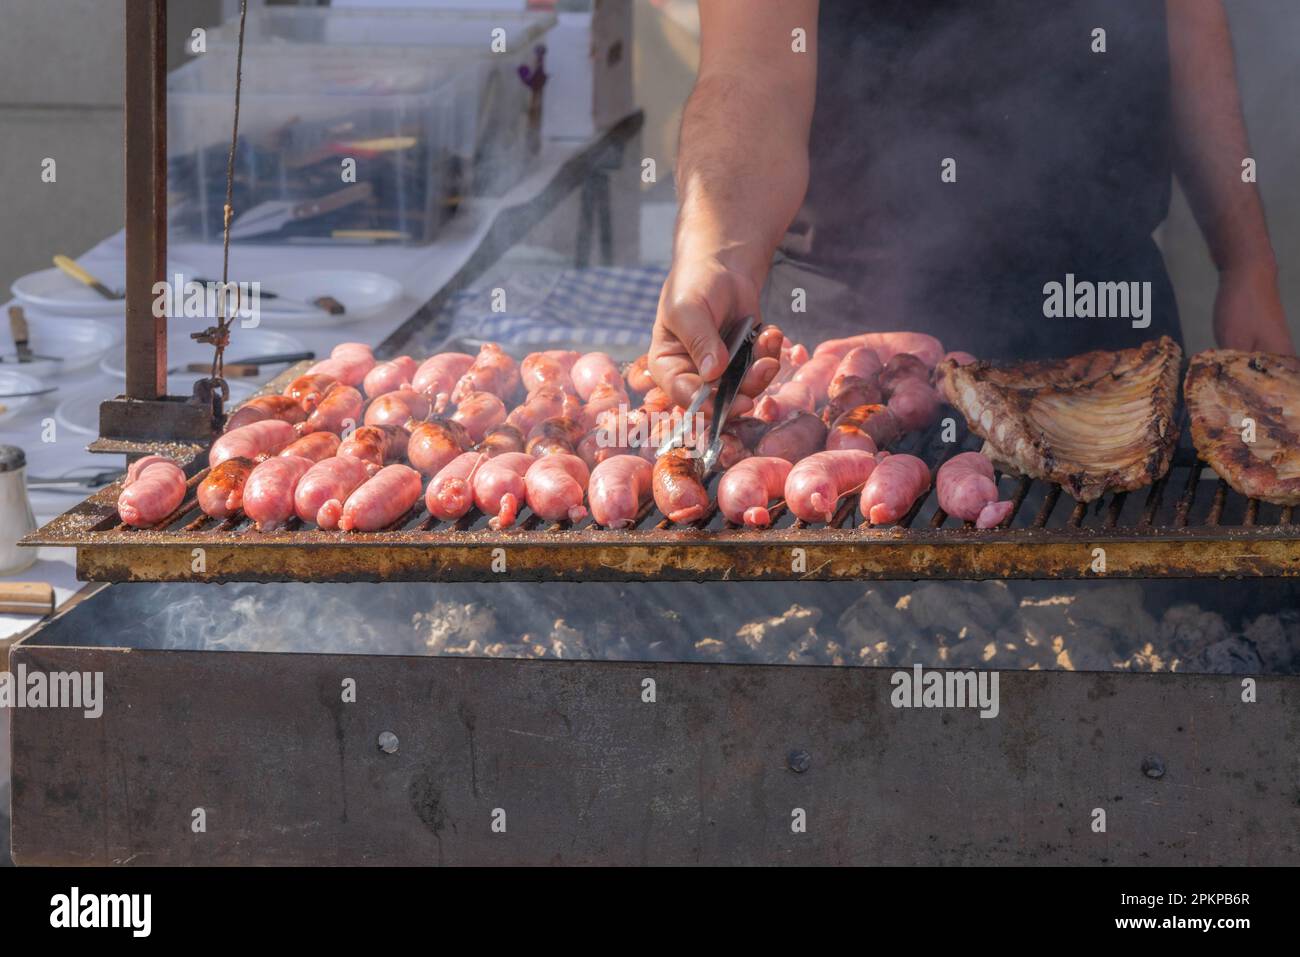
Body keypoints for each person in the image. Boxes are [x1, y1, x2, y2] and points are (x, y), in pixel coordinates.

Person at [649, 0, 1294, 409]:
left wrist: (1246, 264)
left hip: (1108, 331)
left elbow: (1187, 19)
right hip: (855, 362)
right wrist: (719, 245)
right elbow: (752, 70)